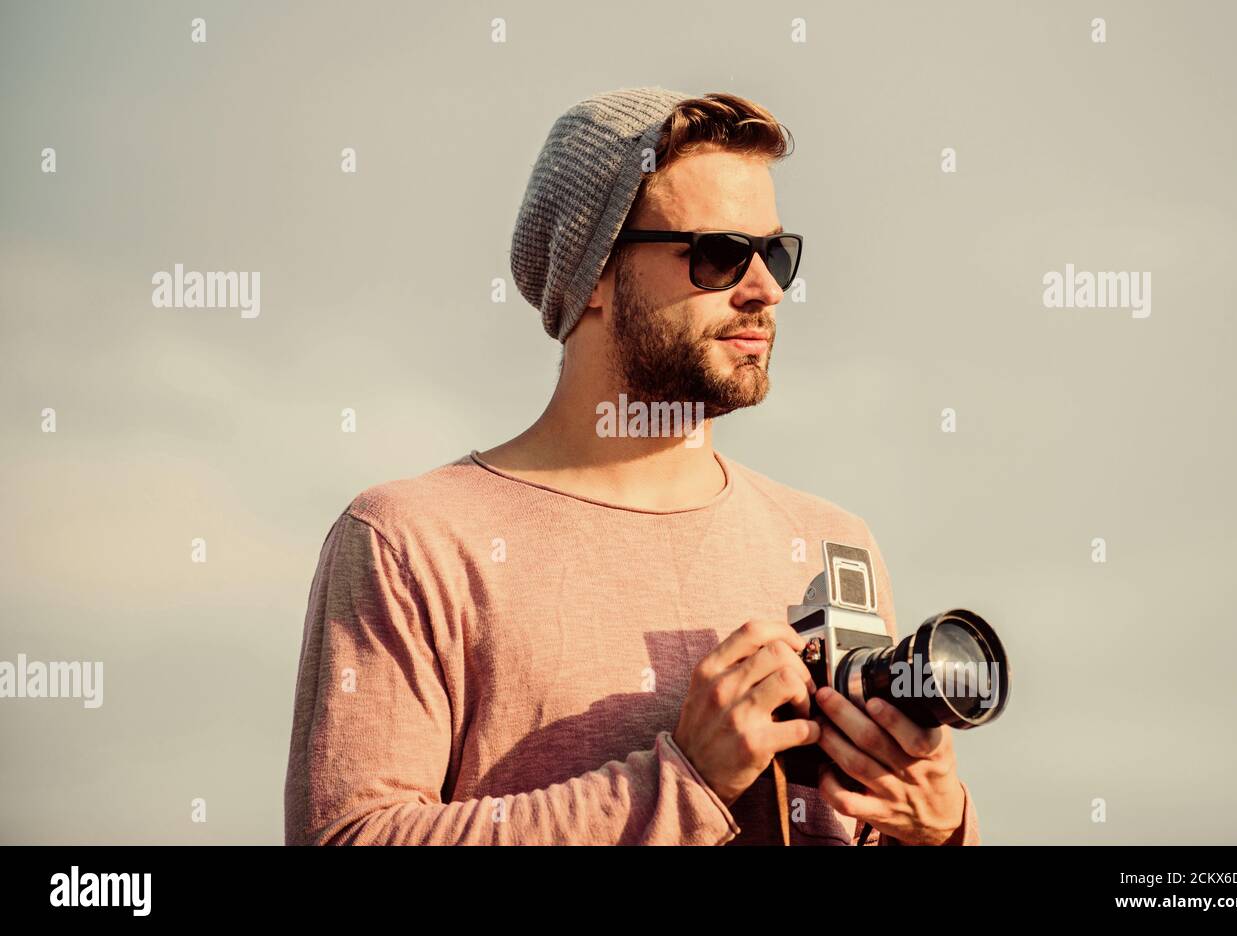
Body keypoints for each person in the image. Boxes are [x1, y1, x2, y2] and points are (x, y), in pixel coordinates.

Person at [283, 87, 980, 845]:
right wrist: (683, 785)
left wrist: (941, 832)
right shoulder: (411, 542)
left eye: (776, 254)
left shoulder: (828, 543)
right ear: (594, 277)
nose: (766, 290)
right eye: (719, 254)